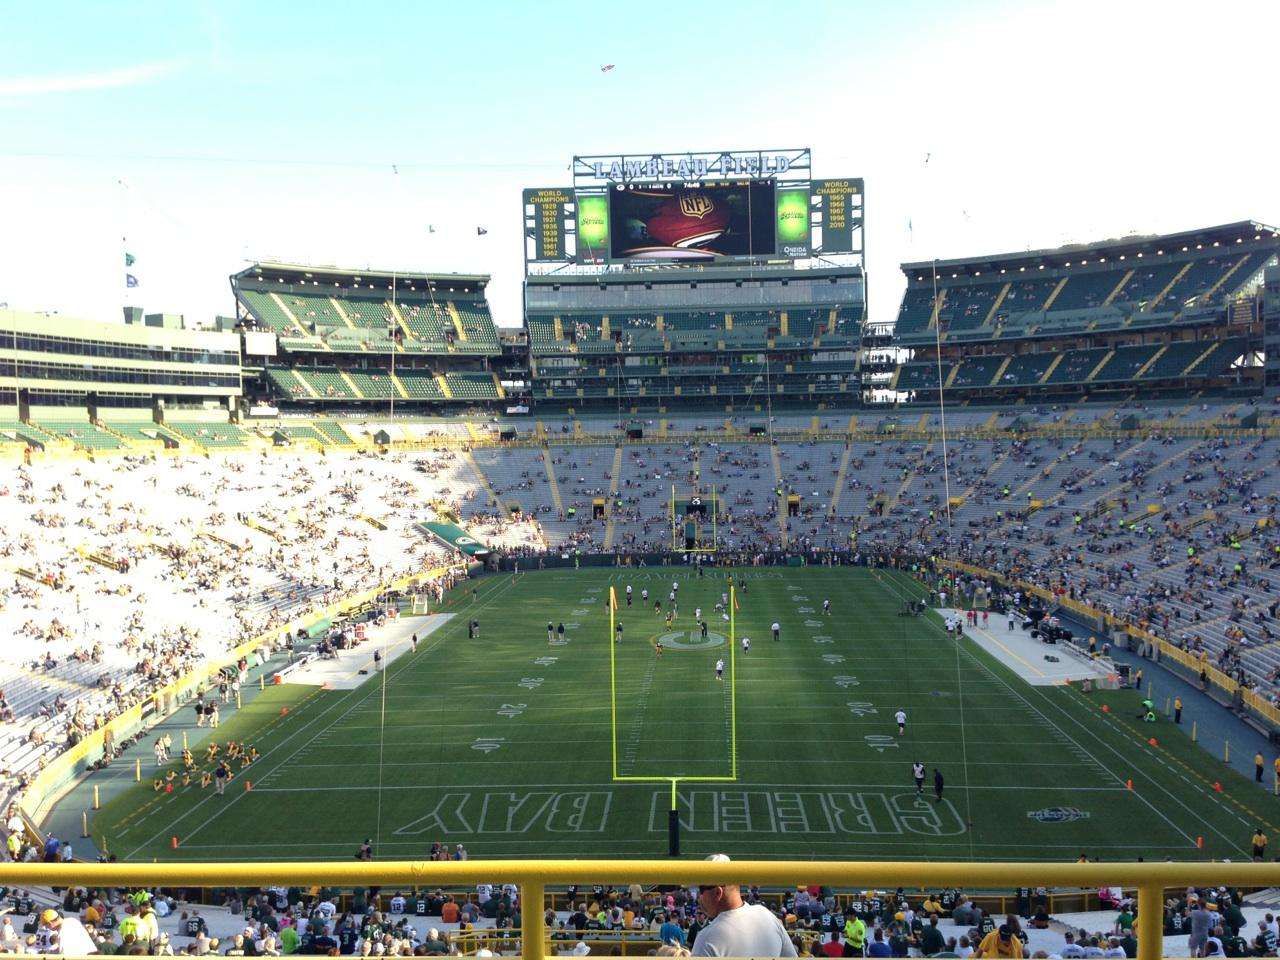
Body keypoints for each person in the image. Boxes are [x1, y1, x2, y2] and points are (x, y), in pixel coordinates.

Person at [691, 855, 796, 957]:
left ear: (718, 893)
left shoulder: (706, 939)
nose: (699, 897)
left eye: (701, 890)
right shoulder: (767, 915)